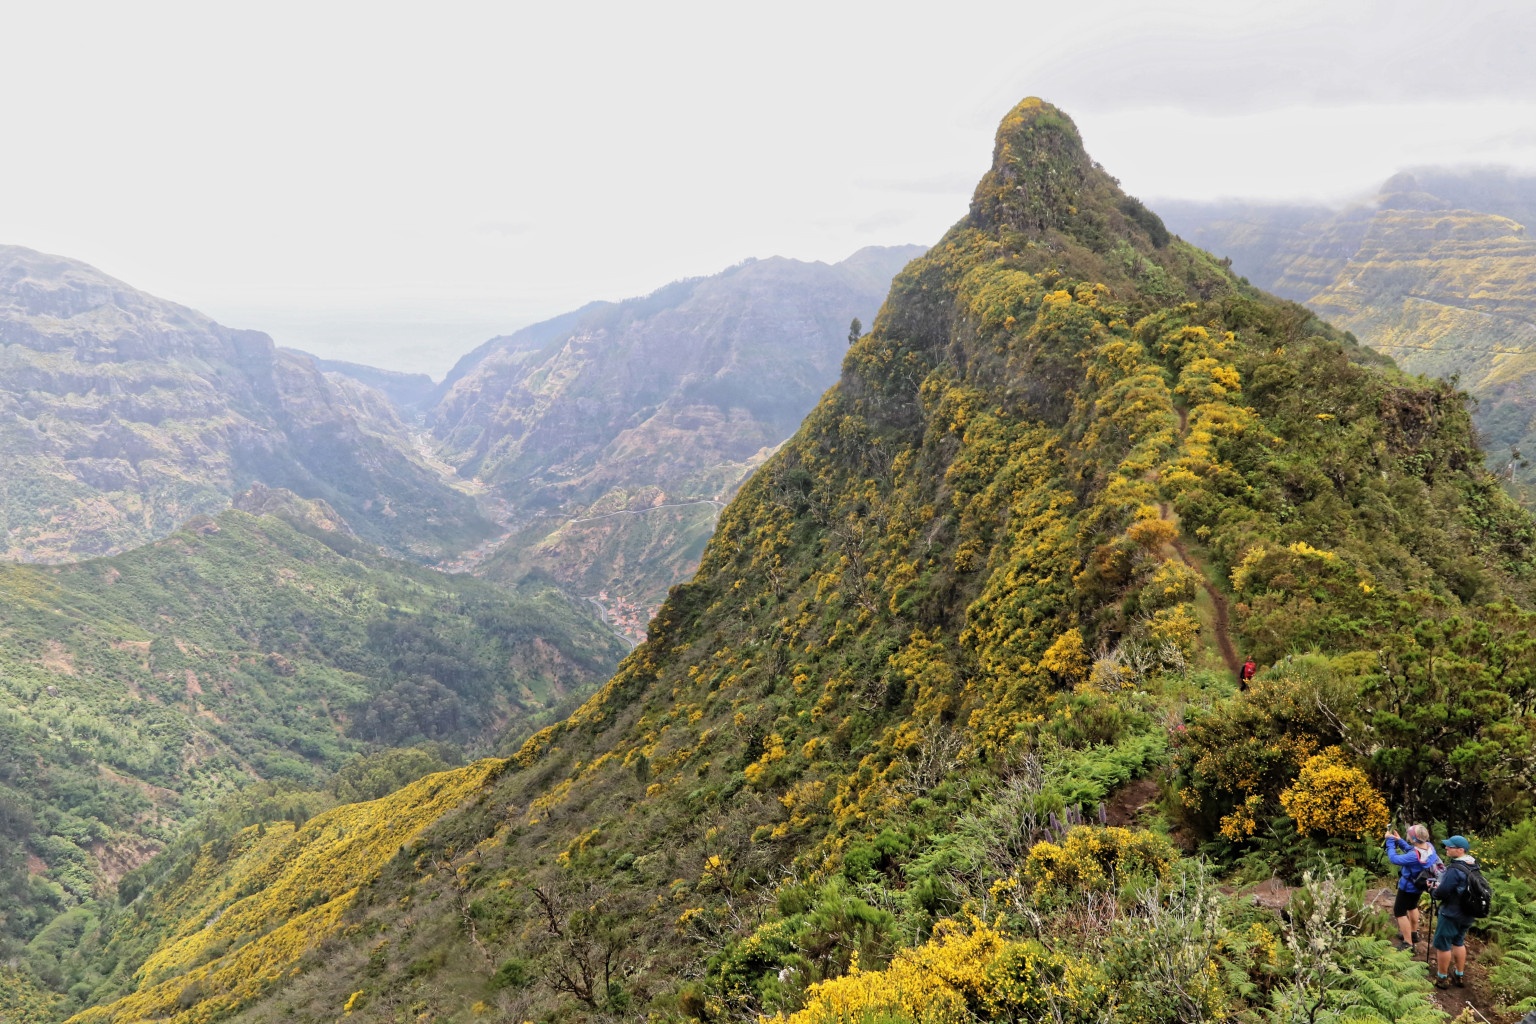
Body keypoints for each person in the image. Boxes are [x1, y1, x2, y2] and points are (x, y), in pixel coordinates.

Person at [1430, 835, 1479, 988]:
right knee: (1459, 942)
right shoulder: (1474, 864)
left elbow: (1443, 891)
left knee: (1443, 944)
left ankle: (1442, 979)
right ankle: (1459, 975)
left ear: (1460, 850)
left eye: (1450, 847)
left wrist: (1433, 892)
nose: (1446, 848)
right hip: (1468, 912)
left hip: (1452, 912)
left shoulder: (1455, 869)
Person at [1384, 824, 1438, 950]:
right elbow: (1410, 849)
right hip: (1419, 884)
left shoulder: (1414, 856)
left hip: (1407, 887)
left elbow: (1394, 859)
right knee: (1412, 906)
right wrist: (1399, 841)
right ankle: (1413, 934)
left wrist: (1390, 842)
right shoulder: (1429, 847)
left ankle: (1408, 943)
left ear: (1414, 838)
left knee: (1399, 912)